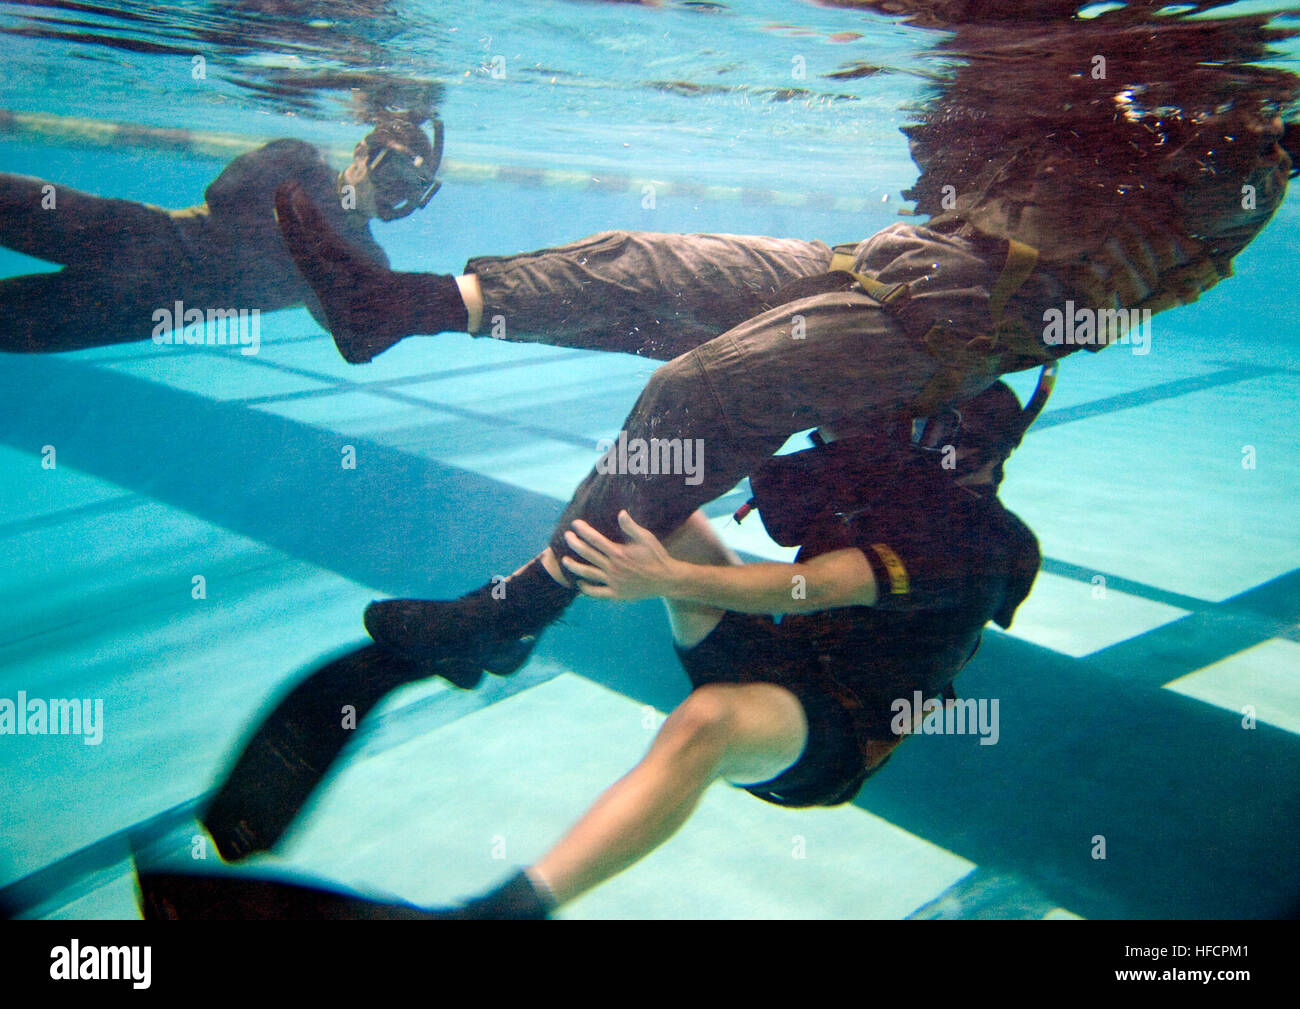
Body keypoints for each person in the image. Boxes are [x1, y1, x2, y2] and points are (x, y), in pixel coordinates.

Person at [270, 11, 1295, 682]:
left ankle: (511, 613)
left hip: (973, 313)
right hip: (905, 257)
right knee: (646, 266)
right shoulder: (1074, 78)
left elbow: (1161, 211)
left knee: (701, 392)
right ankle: (392, 307)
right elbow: (959, 145)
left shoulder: (1236, 140)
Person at [138, 379, 1043, 919]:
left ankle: (509, 909)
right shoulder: (892, 473)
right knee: (653, 505)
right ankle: (497, 629)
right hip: (783, 655)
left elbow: (810, 584)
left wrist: (667, 582)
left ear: (953, 450)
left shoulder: (970, 536)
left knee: (708, 722)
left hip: (830, 731)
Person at [0, 116, 442, 353]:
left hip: (142, 312)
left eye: (409, 187)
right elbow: (225, 194)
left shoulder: (366, 259)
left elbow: (352, 331)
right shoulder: (299, 160)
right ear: (363, 152)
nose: (393, 192)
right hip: (133, 237)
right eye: (393, 172)